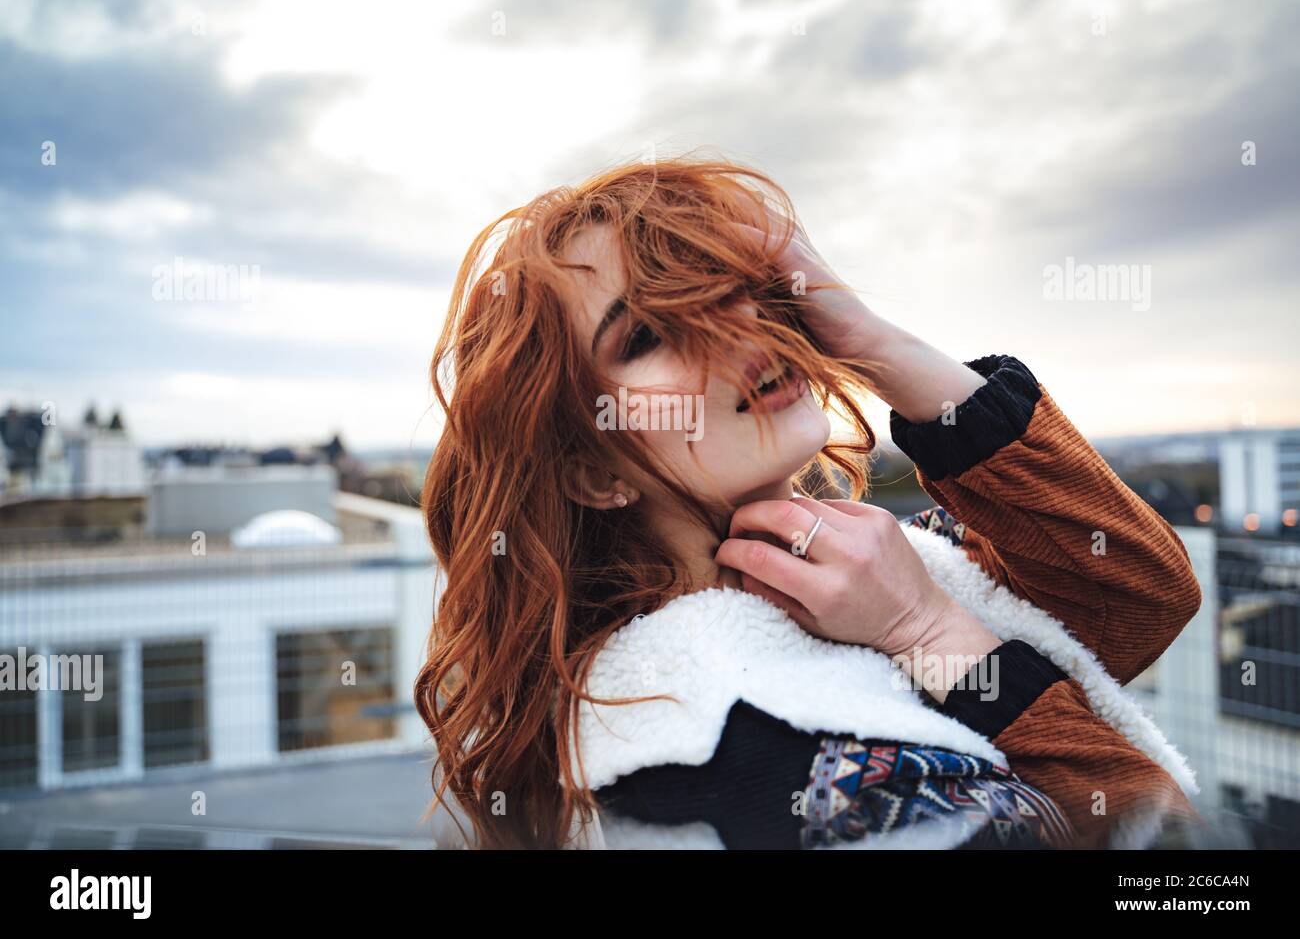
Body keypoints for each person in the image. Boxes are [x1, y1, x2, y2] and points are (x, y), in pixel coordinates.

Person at [416, 155, 1203, 850]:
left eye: (735, 290)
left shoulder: (878, 568)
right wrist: (926, 631)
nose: (740, 329)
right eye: (649, 334)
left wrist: (873, 340)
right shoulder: (741, 751)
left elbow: (1135, 598)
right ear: (591, 474)